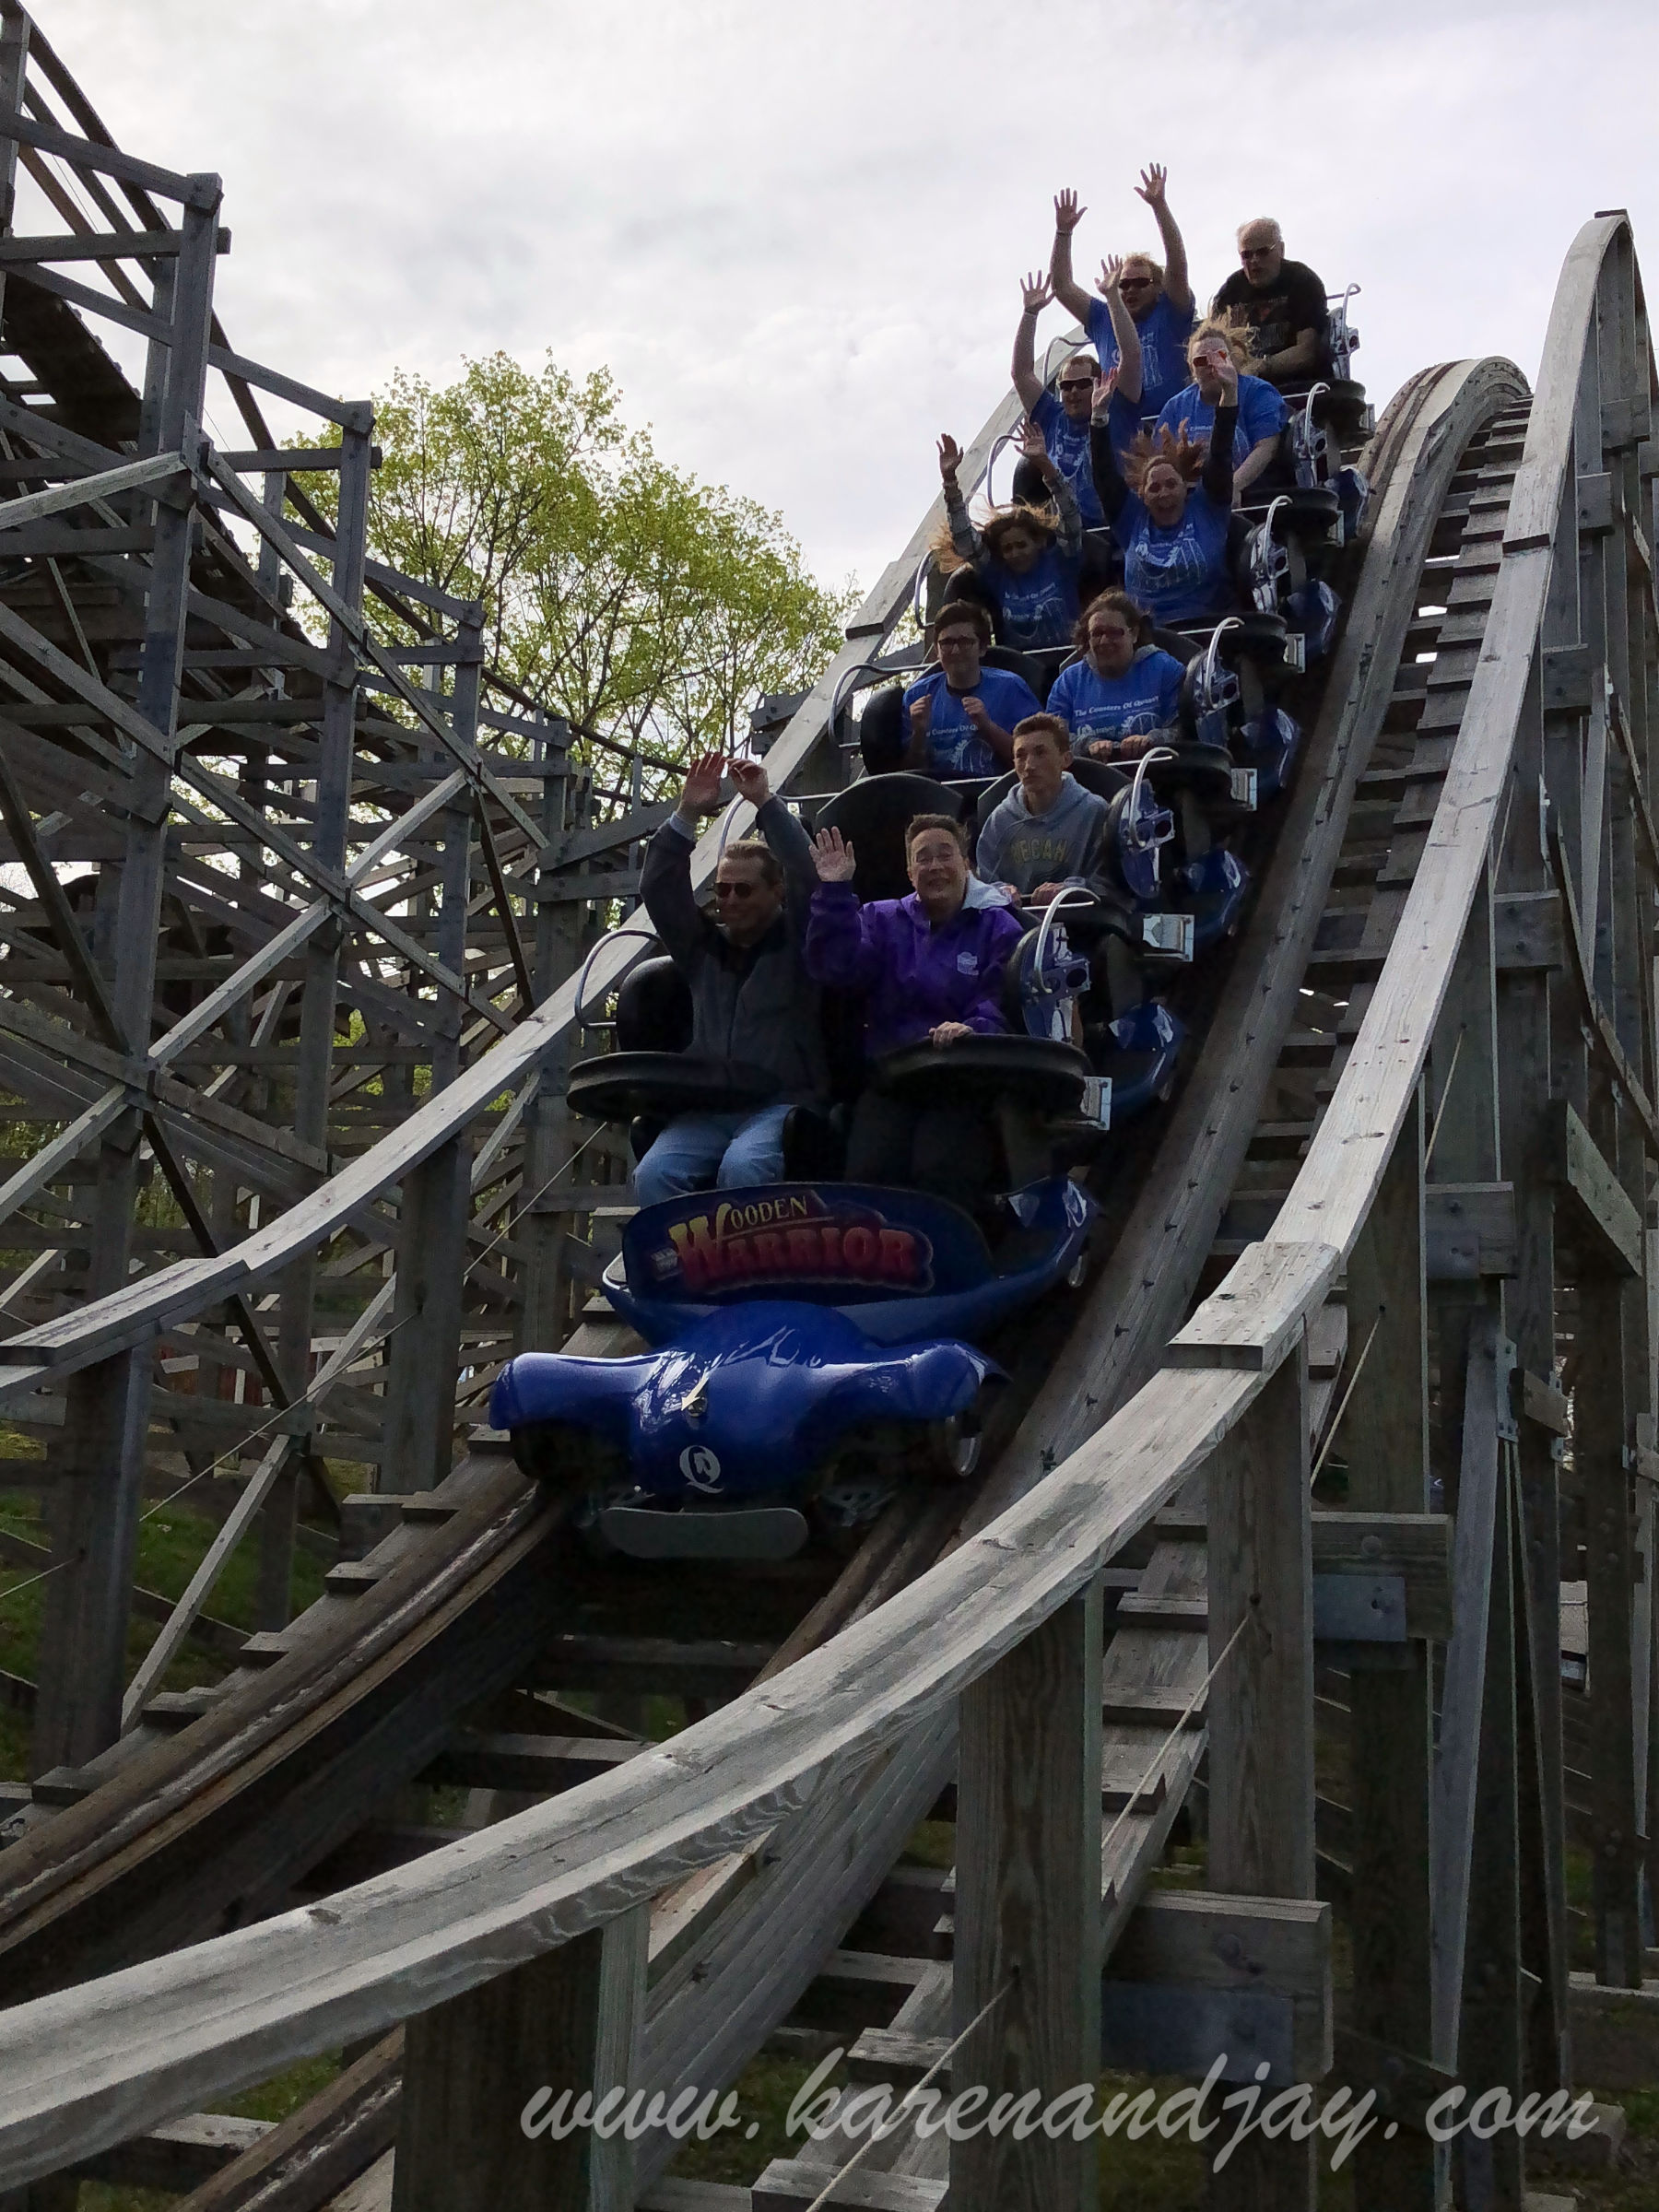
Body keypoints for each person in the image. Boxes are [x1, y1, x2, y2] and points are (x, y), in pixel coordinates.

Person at [633, 752, 824, 1204]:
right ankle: (680, 1252)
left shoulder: (800, 938)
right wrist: (687, 812)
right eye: (722, 889)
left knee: (744, 1167)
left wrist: (765, 802)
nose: (730, 900)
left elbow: (808, 874)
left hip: (780, 1101)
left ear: (776, 891)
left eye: (744, 889)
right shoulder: (704, 948)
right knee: (653, 1175)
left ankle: (753, 1252)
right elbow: (659, 889)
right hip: (712, 1104)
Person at [806, 813, 1022, 1195]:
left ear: (966, 865)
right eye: (923, 858)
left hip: (962, 1076)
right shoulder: (882, 918)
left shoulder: (998, 925)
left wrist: (975, 1027)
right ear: (909, 872)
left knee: (938, 1167)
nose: (935, 866)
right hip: (895, 1075)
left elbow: (1001, 997)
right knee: (868, 1174)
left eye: (945, 855)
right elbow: (837, 968)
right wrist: (835, 893)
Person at [1089, 357, 1241, 627]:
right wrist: (1099, 417)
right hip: (1149, 635)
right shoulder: (1130, 520)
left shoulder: (1207, 508)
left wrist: (1228, 394)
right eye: (1154, 488)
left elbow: (1220, 453)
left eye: (1171, 484)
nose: (1163, 493)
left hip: (1207, 629)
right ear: (1142, 495)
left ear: (1185, 487)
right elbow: (1104, 476)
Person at [1050, 168, 1195, 420]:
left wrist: (1159, 206)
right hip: (1122, 429)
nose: (1130, 289)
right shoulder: (1104, 316)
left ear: (1158, 288)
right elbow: (1062, 287)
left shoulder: (1171, 308)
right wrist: (1063, 232)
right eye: (1124, 284)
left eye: (1140, 283)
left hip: (1173, 424)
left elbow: (1177, 264)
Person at [937, 421, 1084, 653]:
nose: (1015, 553)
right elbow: (965, 540)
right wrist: (950, 483)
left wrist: (1045, 465)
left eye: (1021, 545)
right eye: (1007, 549)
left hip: (1068, 659)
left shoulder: (1061, 560)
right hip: (1021, 667)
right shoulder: (998, 574)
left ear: (1039, 542)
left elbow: (1070, 514)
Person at [977, 714, 1112, 907]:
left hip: (1080, 919)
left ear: (1066, 759)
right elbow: (983, 883)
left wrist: (1069, 890)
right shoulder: (1000, 819)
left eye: (1040, 753)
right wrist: (1000, 891)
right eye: (1020, 756)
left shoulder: (1094, 811)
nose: (1029, 766)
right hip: (1018, 921)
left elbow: (1108, 885)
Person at [903, 598, 1042, 778]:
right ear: (937, 650)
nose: (955, 650)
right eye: (946, 643)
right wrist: (919, 734)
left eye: (964, 642)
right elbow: (907, 774)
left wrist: (988, 727)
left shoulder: (1011, 688)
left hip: (997, 788)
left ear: (982, 648)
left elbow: (1038, 761)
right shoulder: (916, 695)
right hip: (935, 792)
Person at [1157, 321, 1288, 501]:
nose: (1211, 365)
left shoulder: (1258, 392)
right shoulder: (1175, 406)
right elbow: (1161, 458)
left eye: (1219, 356)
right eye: (1201, 360)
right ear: (1192, 369)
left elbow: (1266, 447)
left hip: (1250, 494)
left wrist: (1233, 486)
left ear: (1231, 360)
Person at [1047, 592, 1187, 760]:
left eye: (1114, 632)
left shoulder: (1165, 668)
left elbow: (1185, 728)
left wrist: (1151, 740)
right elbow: (1052, 740)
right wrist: (1088, 745)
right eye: (1097, 633)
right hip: (1093, 772)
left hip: (1158, 767)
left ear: (1134, 634)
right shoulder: (1068, 682)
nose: (1104, 641)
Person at [1010, 273, 1102, 525]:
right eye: (1066, 386)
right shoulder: (1052, 416)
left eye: (1083, 384)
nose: (1073, 392)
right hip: (1061, 529)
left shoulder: (1114, 416)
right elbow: (1021, 374)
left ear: (1099, 384)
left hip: (1104, 529)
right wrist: (1030, 314)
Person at [1211, 219, 1329, 388]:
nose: (1254, 260)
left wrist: (1262, 366)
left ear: (1281, 250)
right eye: (1246, 255)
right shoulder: (1230, 291)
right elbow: (1212, 346)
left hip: (1299, 387)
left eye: (1262, 252)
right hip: (1246, 390)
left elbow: (1306, 352)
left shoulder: (1302, 281)